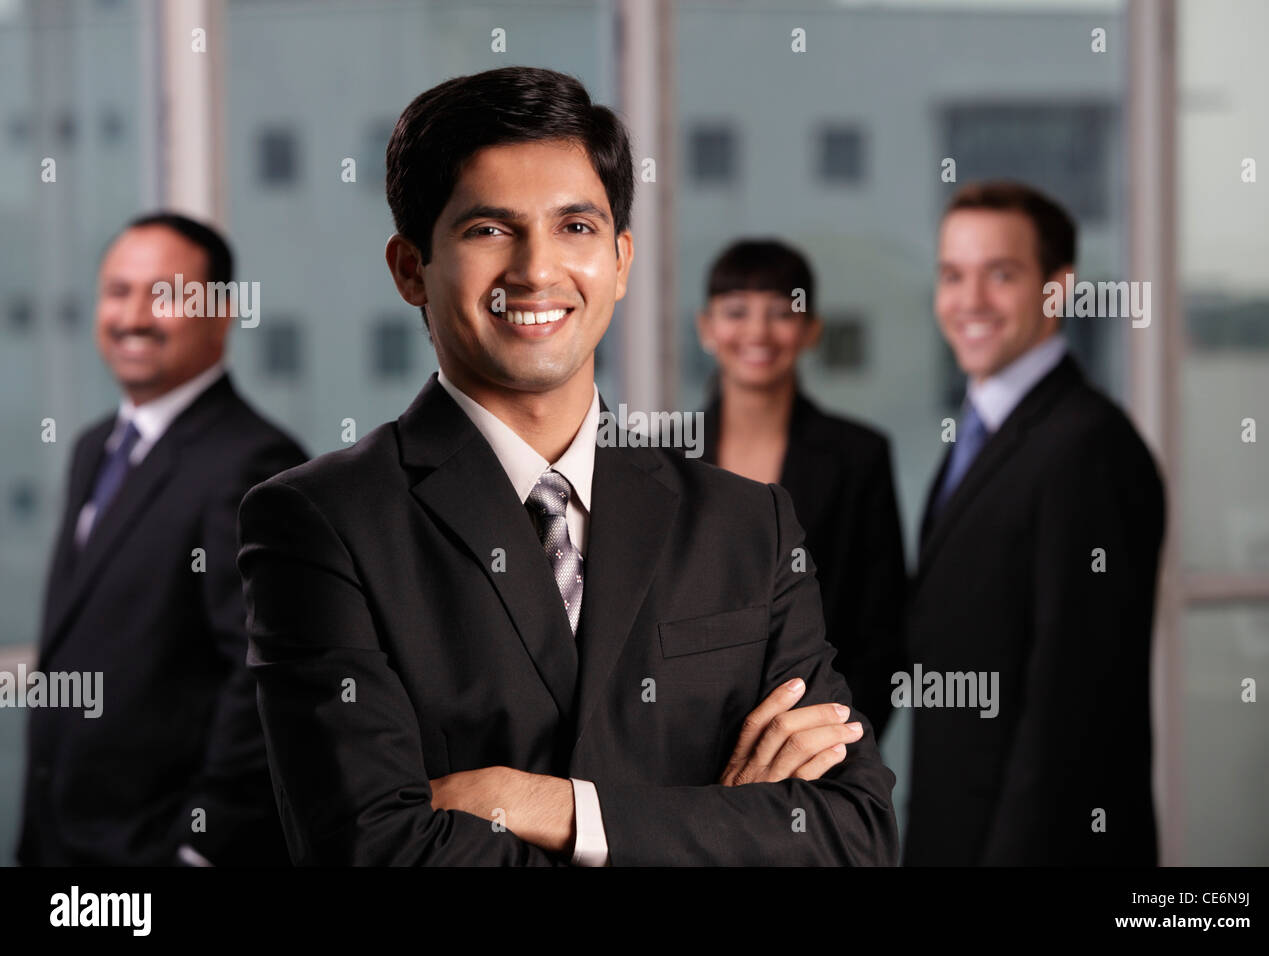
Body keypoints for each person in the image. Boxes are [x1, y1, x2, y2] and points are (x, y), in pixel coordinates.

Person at [236, 66, 898, 866]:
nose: (537, 270)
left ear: (621, 260)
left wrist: (549, 806)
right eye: (489, 230)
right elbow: (376, 851)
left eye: (575, 228)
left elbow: (851, 834)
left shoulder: (747, 525)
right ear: (411, 268)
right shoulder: (321, 524)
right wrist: (716, 826)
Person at [18, 213, 307, 866]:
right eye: (118, 291)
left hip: (158, 852)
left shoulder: (254, 461)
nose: (133, 317)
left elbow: (269, 676)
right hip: (65, 842)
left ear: (221, 312)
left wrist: (200, 847)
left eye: (166, 294)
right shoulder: (96, 448)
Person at [903, 181, 1165, 865]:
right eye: (953, 276)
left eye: (1002, 275)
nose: (971, 301)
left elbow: (1070, 711)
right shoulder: (985, 433)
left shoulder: (1088, 449)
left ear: (1059, 288)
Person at [695, 239, 906, 737]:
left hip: (818, 744)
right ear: (707, 328)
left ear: (811, 330)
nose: (757, 332)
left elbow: (883, 628)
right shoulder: (662, 459)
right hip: (686, 748)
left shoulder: (860, 456)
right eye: (737, 311)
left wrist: (842, 746)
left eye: (780, 312)